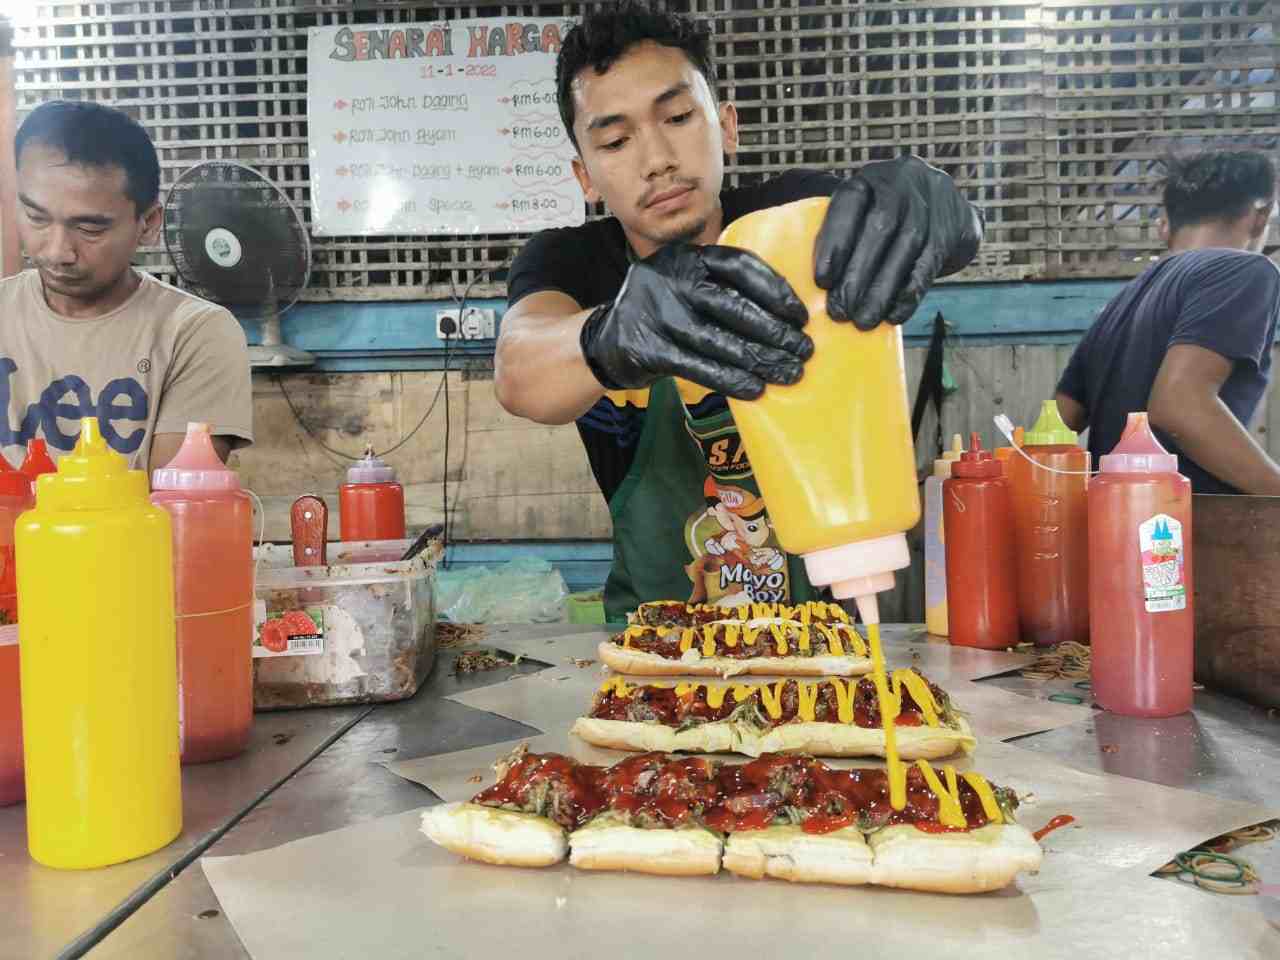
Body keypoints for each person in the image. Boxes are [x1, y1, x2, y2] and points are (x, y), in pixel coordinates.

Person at [494, 3, 982, 619]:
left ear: (726, 125)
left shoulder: (801, 219)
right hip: (659, 654)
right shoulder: (572, 264)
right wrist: (609, 335)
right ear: (584, 176)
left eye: (676, 116)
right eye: (616, 140)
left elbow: (900, 229)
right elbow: (520, 368)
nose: (656, 159)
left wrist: (943, 212)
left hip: (833, 633)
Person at [0, 100, 252, 475]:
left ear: (148, 223)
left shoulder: (195, 333)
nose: (56, 251)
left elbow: (171, 508)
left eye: (89, 228)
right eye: (36, 217)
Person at [1056, 148, 1280, 494]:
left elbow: (1057, 425)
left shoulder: (1124, 299)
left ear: (1166, 226)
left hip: (1115, 524)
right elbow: (1179, 406)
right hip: (1185, 531)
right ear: (1260, 217)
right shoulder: (1243, 270)